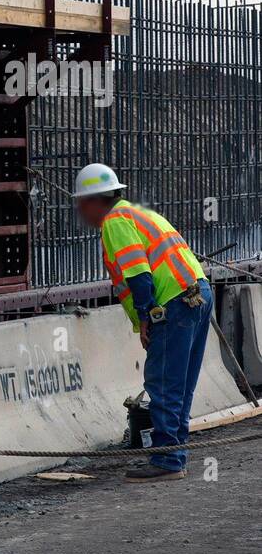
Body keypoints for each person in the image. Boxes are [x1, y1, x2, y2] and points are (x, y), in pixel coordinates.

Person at [73, 162, 211, 483]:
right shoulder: (140, 213)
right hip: (197, 293)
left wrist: (148, 315)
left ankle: (167, 459)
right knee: (180, 384)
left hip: (174, 302)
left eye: (81, 203)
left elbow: (137, 273)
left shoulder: (115, 222)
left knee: (163, 381)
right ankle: (174, 453)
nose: (81, 212)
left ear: (96, 201)